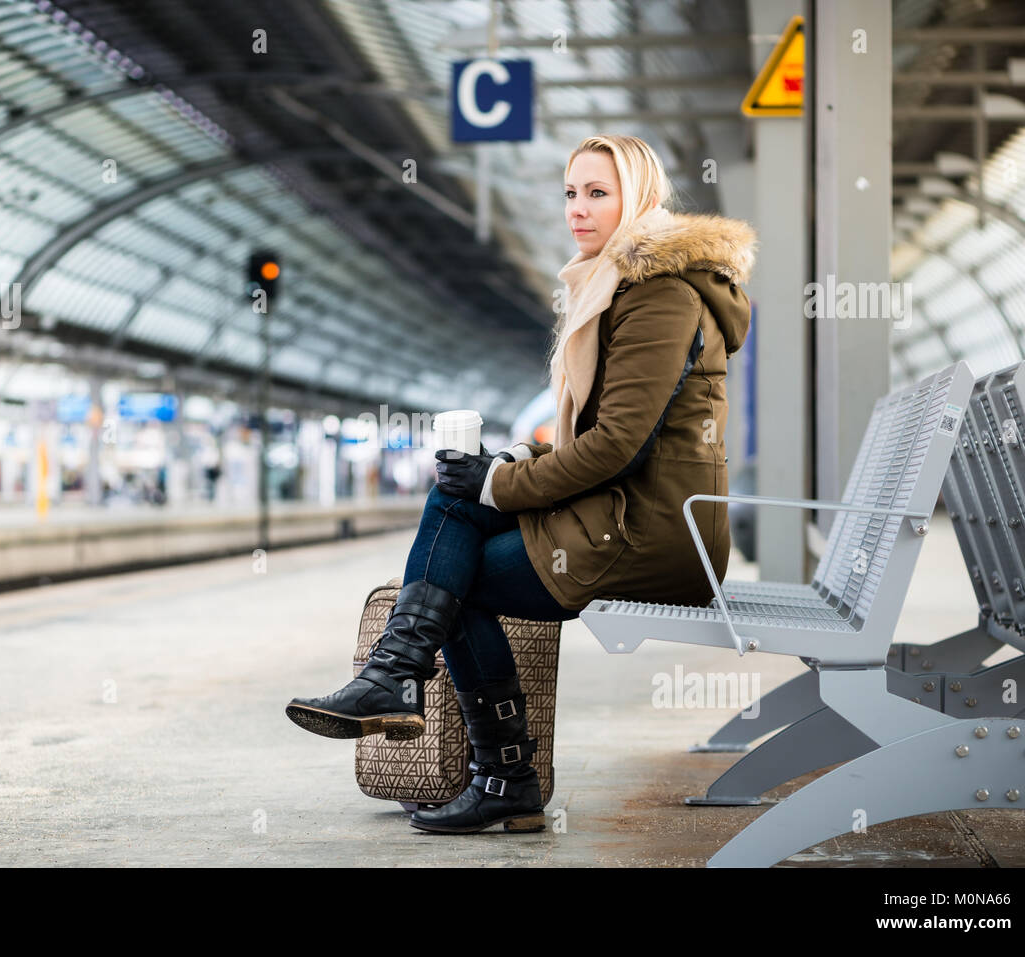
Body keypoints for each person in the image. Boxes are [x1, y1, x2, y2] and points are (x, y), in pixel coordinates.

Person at [286, 134, 757, 834]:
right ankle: (407, 678)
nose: (578, 208)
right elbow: (602, 446)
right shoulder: (618, 285)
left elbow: (617, 449)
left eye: (599, 192)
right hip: (622, 513)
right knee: (455, 493)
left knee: (463, 573)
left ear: (643, 198)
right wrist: (499, 471)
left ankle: (497, 766)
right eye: (571, 192)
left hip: (654, 532)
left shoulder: (661, 296)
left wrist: (502, 484)